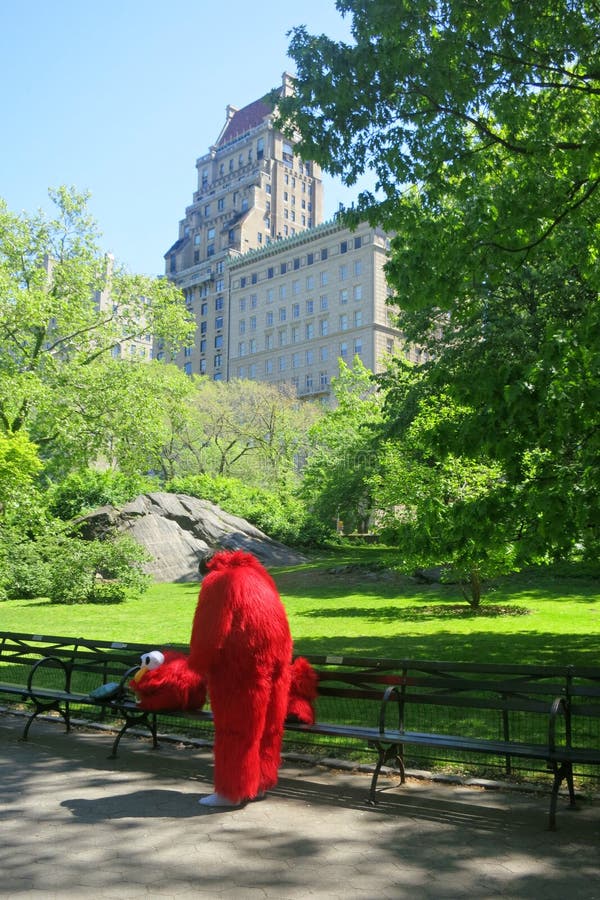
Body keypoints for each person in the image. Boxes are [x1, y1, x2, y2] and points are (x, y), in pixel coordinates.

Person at [188, 550, 292, 807]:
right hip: (274, 661)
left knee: (235, 728)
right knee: (267, 726)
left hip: (238, 666)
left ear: (206, 570)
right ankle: (259, 783)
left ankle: (231, 792)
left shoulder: (219, 581)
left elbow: (209, 630)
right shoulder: (260, 576)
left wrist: (199, 664)